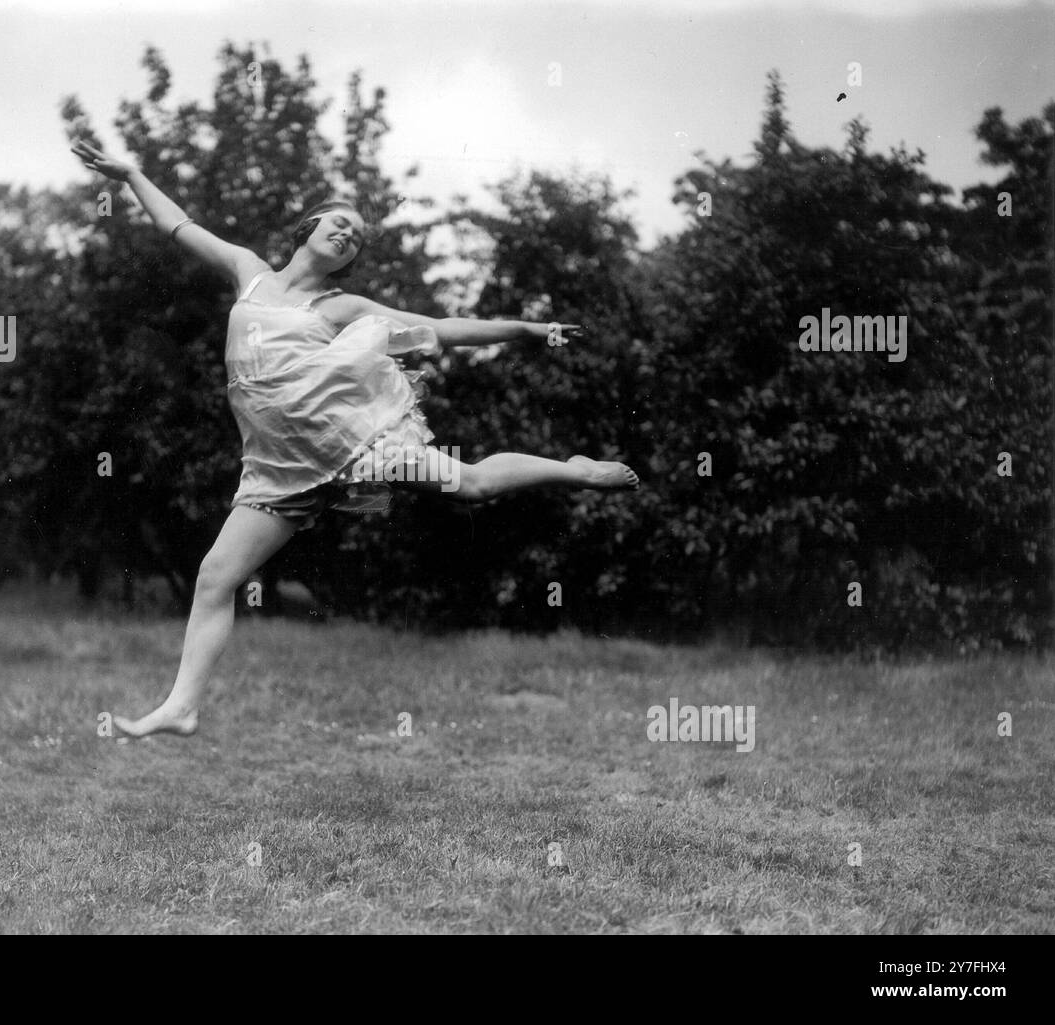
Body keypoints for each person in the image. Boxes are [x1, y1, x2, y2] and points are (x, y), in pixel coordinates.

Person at [70, 139, 640, 739]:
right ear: (308, 227)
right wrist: (132, 174)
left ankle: (575, 469)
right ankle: (183, 706)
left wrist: (527, 328)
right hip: (275, 466)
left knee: (468, 485)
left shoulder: (343, 306)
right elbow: (178, 225)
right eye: (340, 222)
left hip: (353, 444)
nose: (348, 234)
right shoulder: (249, 273)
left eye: (358, 237)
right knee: (216, 576)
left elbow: (438, 328)